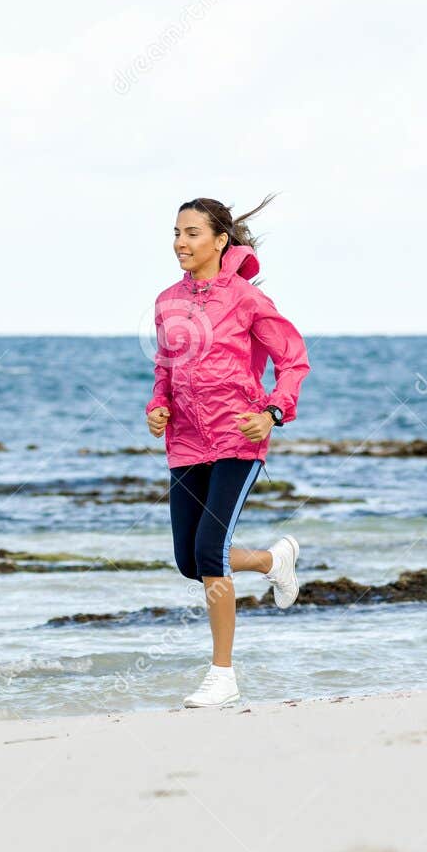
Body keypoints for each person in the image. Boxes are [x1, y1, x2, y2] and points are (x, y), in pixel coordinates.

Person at [145, 194, 311, 708]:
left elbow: (294, 360)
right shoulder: (166, 302)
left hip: (239, 435)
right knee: (189, 560)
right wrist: (158, 406)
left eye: (192, 233)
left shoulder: (246, 300)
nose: (180, 243)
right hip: (187, 441)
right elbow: (166, 371)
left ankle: (223, 674)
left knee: (211, 551)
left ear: (220, 241)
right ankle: (271, 561)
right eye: (176, 233)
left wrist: (274, 412)